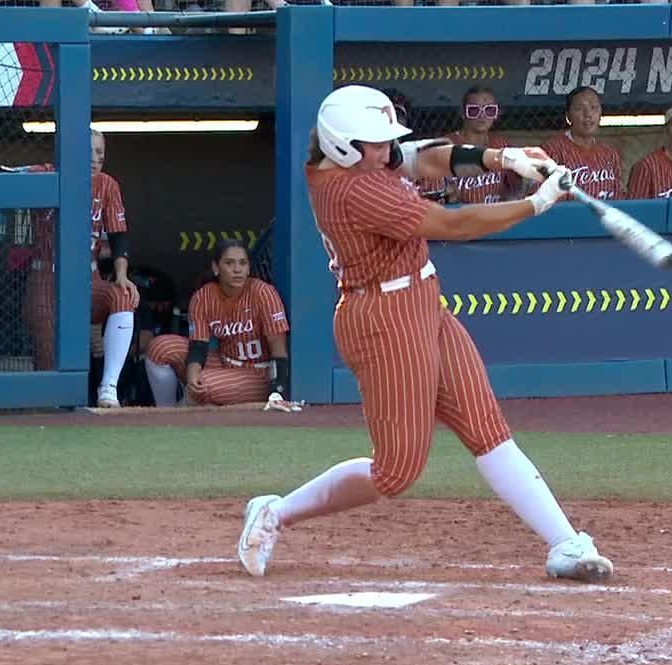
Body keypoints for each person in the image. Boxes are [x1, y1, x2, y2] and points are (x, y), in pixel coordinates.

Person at [236, 85, 614, 582]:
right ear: (343, 146)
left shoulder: (362, 159)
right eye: (375, 143)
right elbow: (452, 224)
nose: (387, 150)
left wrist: (506, 158)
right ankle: (274, 512)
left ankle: (565, 543)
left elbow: (424, 157)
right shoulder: (352, 191)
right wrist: (536, 203)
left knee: (487, 429)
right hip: (383, 319)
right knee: (395, 473)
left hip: (421, 299)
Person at [0, 130, 138, 407]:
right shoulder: (49, 172)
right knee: (47, 355)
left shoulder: (107, 185)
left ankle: (108, 387)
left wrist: (121, 275)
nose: (95, 158)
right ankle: (49, 407)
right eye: (89, 151)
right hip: (46, 274)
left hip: (87, 275)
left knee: (122, 296)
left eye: (100, 152)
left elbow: (119, 236)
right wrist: (1, 171)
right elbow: (2, 174)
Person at [143, 238, 292, 409]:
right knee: (159, 348)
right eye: (229, 263)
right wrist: (192, 374)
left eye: (243, 263)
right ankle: (164, 411)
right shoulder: (204, 296)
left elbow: (279, 352)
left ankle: (180, 413)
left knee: (203, 384)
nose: (237, 269)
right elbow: (198, 346)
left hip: (257, 372)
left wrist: (277, 390)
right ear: (216, 268)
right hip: (223, 360)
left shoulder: (263, 293)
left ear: (249, 268)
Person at [439, 87, 521, 205]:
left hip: (494, 213)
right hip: (459, 215)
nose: (482, 116)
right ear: (463, 113)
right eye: (474, 110)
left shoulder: (501, 145)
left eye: (489, 110)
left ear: (497, 114)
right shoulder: (445, 147)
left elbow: (516, 188)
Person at [540, 86, 622, 200]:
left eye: (594, 107)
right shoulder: (552, 150)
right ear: (568, 116)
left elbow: (619, 197)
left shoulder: (610, 154)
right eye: (579, 108)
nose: (588, 114)